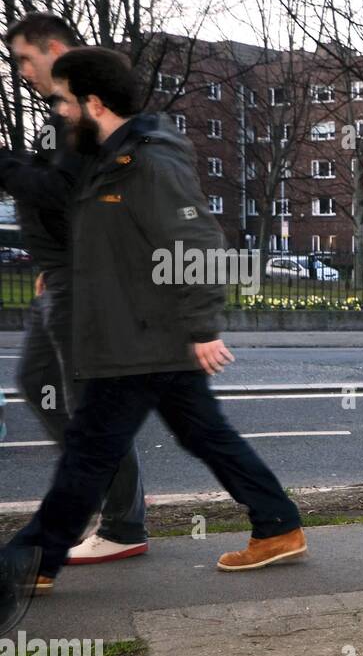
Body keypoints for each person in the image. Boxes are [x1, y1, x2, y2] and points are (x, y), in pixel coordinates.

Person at [0, 46, 306, 626]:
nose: (58, 113)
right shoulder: (108, 161)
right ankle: (278, 523)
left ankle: (26, 562)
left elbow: (199, 246)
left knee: (88, 458)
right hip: (139, 339)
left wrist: (200, 327)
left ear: (93, 103)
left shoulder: (147, 164)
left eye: (64, 101)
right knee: (206, 437)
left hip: (138, 343)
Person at [1, 13, 150, 563]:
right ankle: (117, 507)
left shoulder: (85, 111)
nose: (21, 72)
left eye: (25, 59)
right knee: (45, 384)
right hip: (67, 274)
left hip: (84, 281)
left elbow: (61, 188)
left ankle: (118, 523)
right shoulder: (71, 112)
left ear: (54, 48)